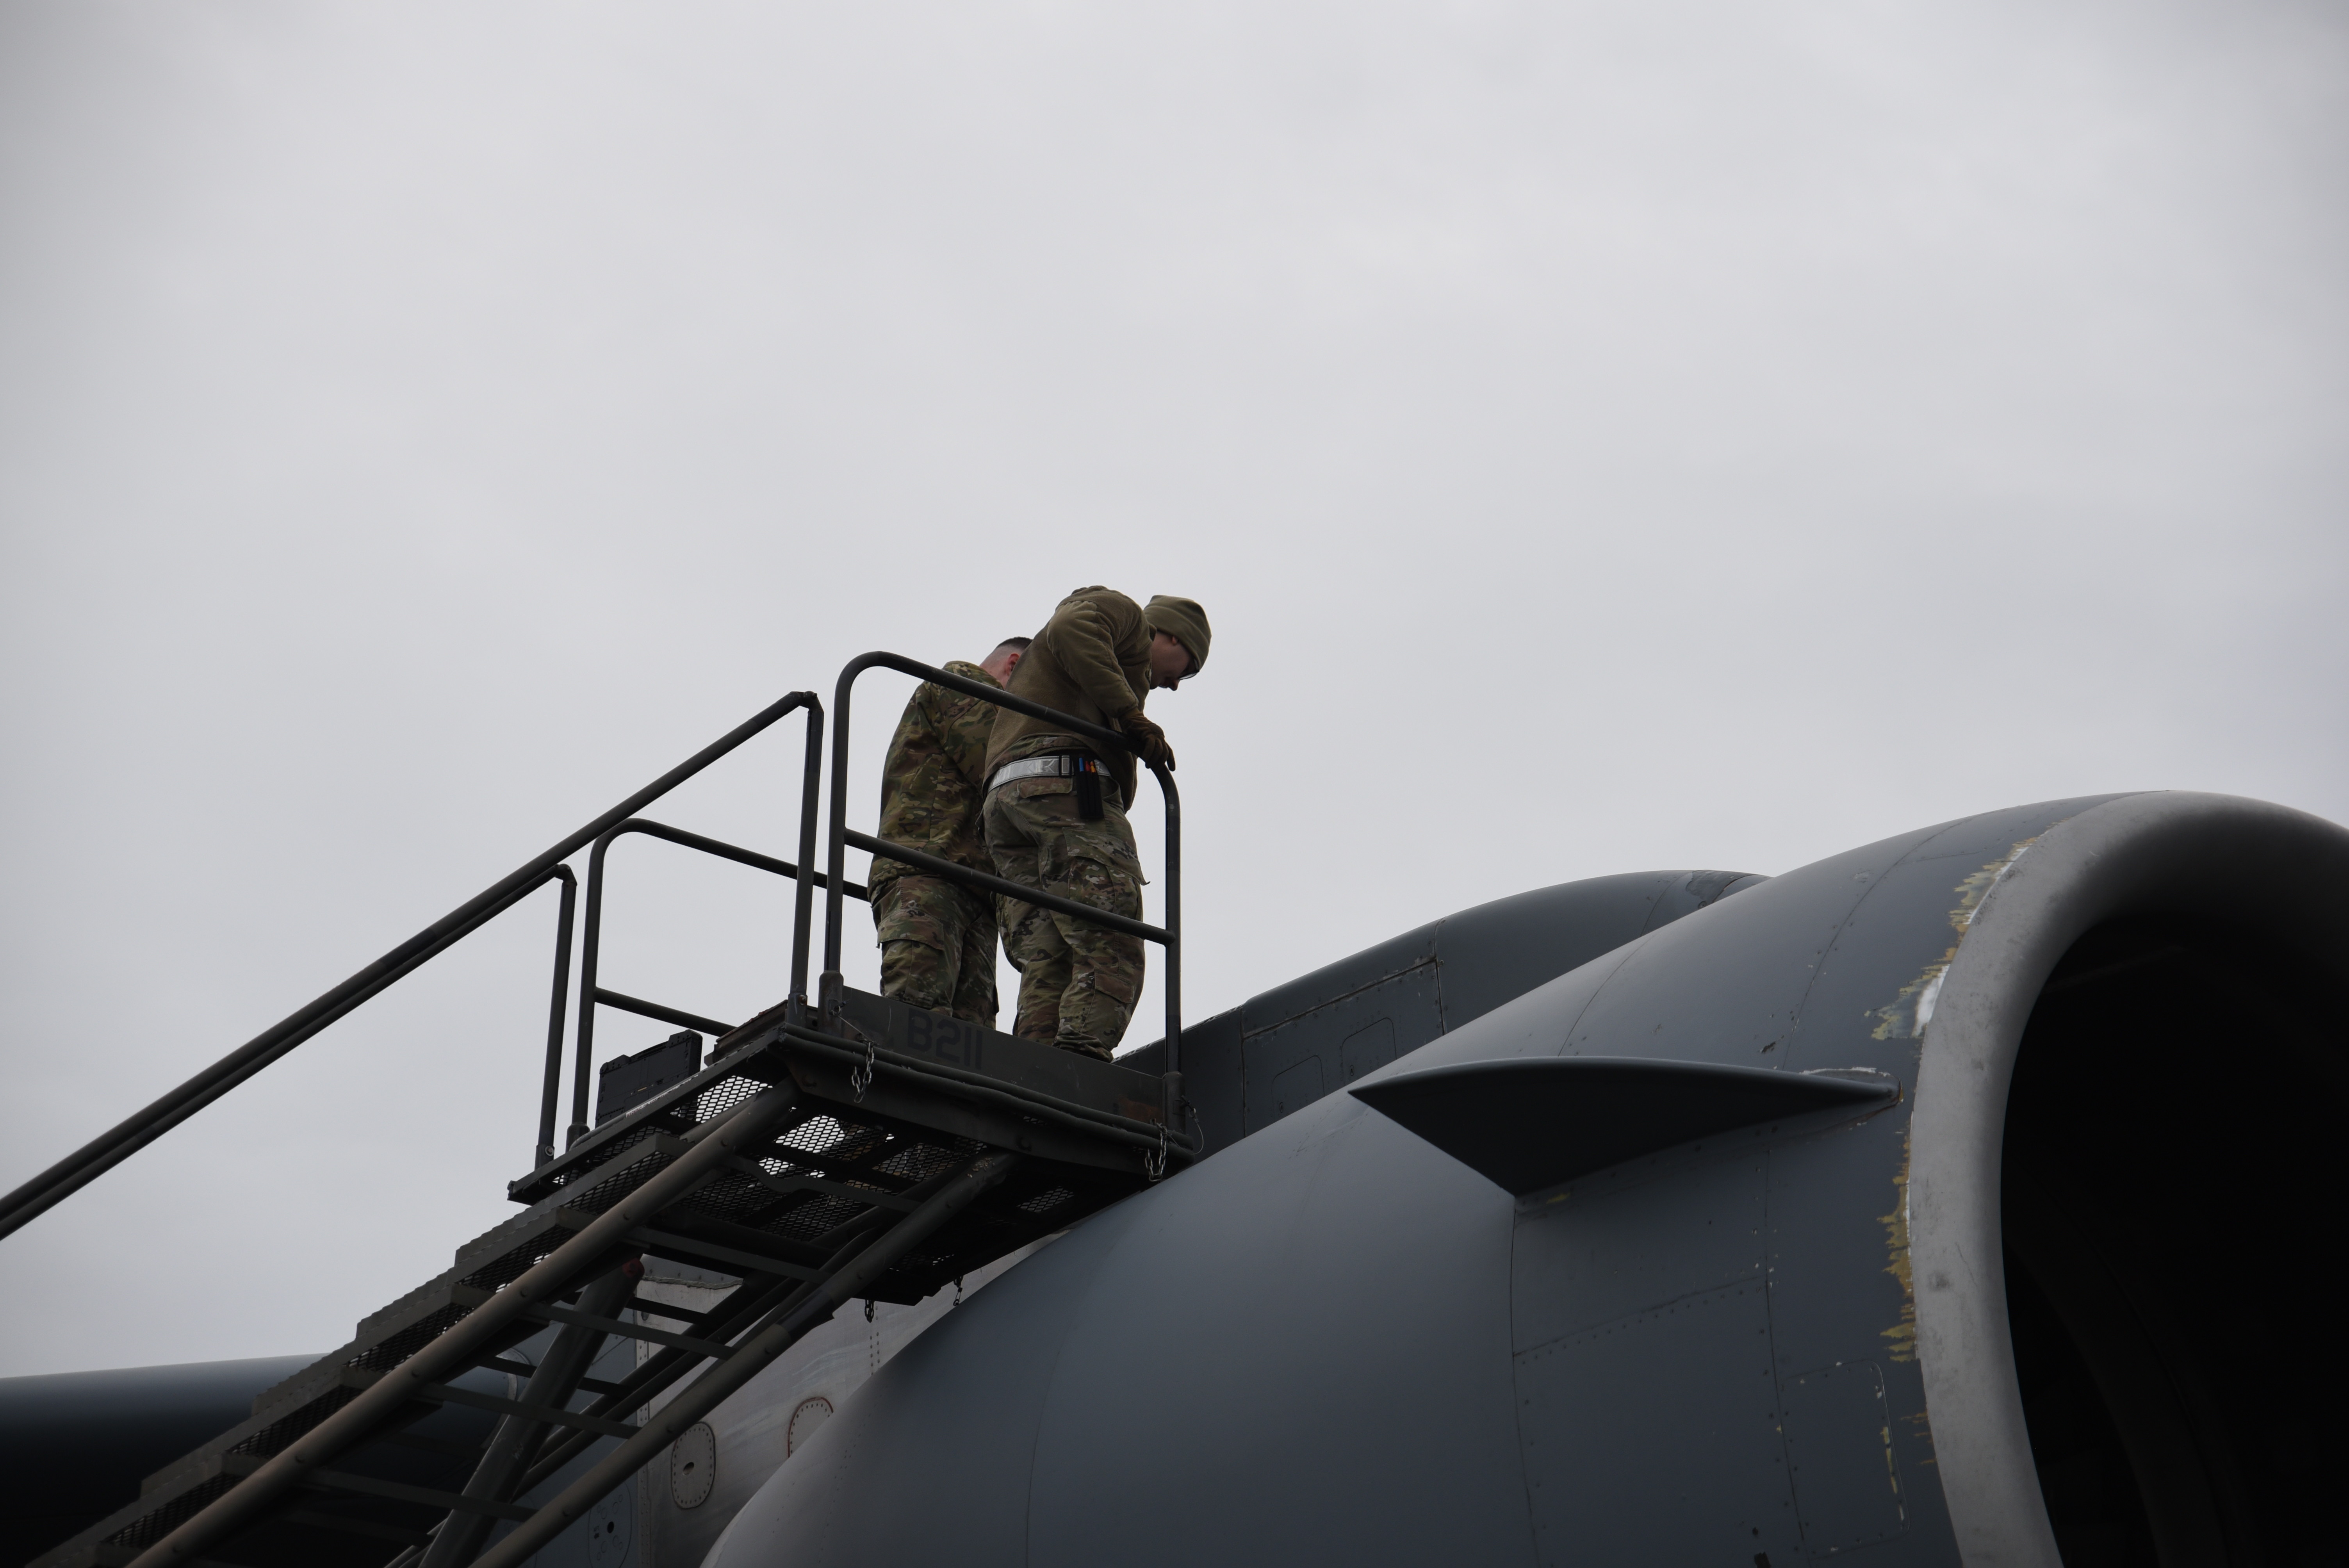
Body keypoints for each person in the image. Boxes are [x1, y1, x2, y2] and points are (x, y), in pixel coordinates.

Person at [983, 587, 1210, 1058]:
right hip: (1066, 788)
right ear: (1168, 633)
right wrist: (1129, 715)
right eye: (1187, 667)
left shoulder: (1107, 669)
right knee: (1113, 939)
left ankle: (1034, 1067)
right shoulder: (1124, 616)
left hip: (1010, 804)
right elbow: (1071, 627)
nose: (1176, 685)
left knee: (1054, 954)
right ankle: (1077, 1066)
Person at [868, 637, 1031, 1027]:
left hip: (974, 889)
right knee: (916, 1020)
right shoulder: (960, 684)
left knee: (971, 1040)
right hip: (929, 874)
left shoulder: (996, 710)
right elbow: (998, 765)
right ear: (1013, 665)